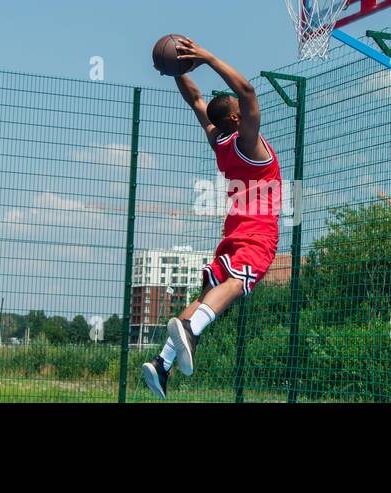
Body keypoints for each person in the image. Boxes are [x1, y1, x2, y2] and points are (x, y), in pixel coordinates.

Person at [141, 38, 282, 399]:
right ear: (236, 118)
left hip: (233, 231)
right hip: (256, 231)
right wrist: (207, 57)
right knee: (236, 286)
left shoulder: (218, 141)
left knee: (211, 292)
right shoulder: (248, 144)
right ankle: (192, 330)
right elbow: (248, 90)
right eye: (238, 109)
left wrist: (176, 70)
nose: (243, 108)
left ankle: (162, 363)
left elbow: (195, 100)